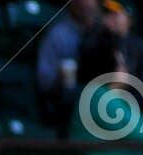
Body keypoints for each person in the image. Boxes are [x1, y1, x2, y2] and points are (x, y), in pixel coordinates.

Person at [36, 0, 98, 128]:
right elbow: (44, 82)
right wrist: (61, 78)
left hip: (101, 101)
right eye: (83, 3)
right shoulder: (58, 34)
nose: (87, 5)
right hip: (69, 108)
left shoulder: (105, 33)